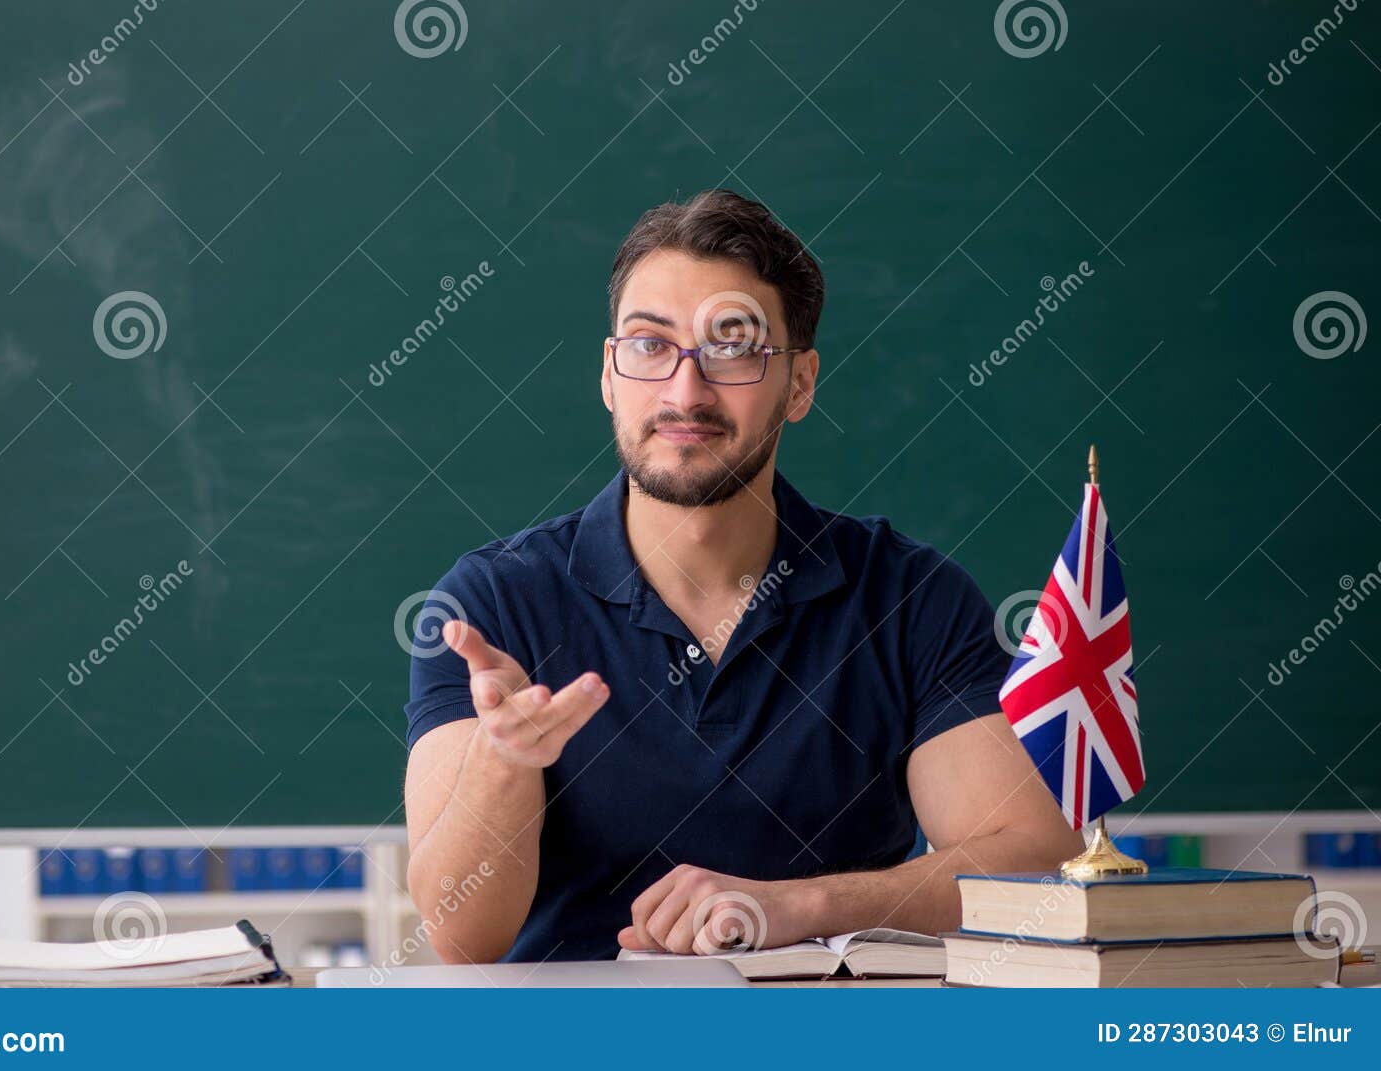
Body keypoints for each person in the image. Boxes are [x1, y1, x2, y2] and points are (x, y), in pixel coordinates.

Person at [402, 188, 1083, 963]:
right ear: (608, 375)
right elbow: (463, 938)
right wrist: (502, 762)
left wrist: (796, 907)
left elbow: (1034, 864)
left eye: (734, 347)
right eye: (650, 345)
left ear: (799, 384)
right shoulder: (498, 600)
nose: (685, 392)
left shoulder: (907, 599)